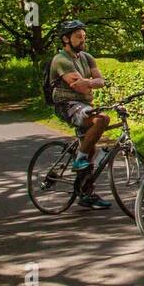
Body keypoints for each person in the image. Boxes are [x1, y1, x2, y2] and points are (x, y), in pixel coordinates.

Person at [48, 20, 112, 210]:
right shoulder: (60, 60)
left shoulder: (87, 57)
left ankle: (86, 193)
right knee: (103, 119)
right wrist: (91, 82)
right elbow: (76, 84)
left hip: (84, 104)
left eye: (84, 37)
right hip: (66, 104)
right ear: (66, 39)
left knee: (92, 149)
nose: (83, 40)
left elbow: (100, 80)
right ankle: (79, 158)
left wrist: (89, 82)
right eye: (78, 37)